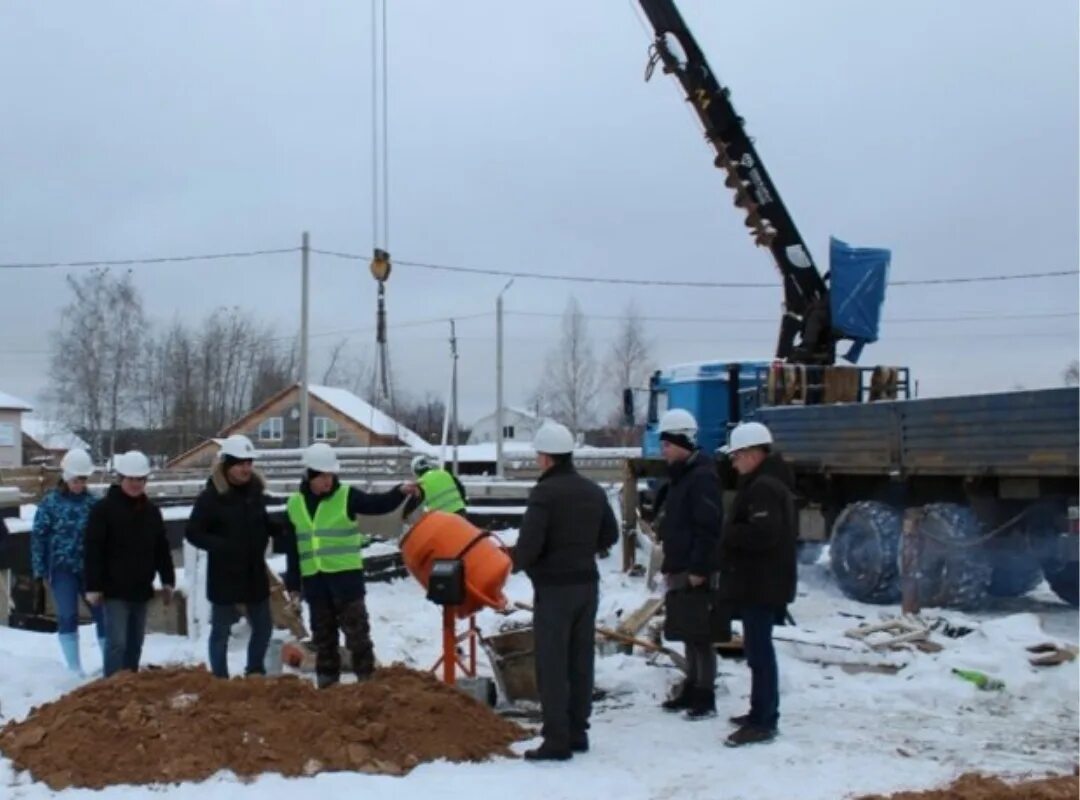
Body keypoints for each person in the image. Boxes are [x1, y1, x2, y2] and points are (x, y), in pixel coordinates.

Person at [512, 421, 618, 761]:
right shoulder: (592, 490)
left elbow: (530, 543)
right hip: (587, 586)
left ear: (545, 458)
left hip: (555, 590)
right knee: (580, 660)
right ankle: (577, 732)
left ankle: (556, 740)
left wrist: (515, 563)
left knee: (553, 663)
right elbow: (610, 535)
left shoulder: (545, 493)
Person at [282, 442, 419, 688]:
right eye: (321, 476)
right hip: (315, 583)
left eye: (330, 475)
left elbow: (378, 504)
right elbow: (293, 550)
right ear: (309, 476)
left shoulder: (347, 496)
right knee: (324, 638)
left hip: (346, 581)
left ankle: (367, 683)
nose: (327, 481)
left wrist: (399, 491)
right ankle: (327, 684)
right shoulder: (294, 505)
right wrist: (293, 587)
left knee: (357, 637)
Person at [717, 421, 797, 747]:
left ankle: (764, 720)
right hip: (761, 581)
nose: (734, 464)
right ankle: (759, 711)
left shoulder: (764, 487)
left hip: (762, 583)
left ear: (752, 454)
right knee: (755, 651)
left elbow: (764, 534)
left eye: (736, 457)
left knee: (760, 653)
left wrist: (728, 534)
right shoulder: (767, 482)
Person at [185, 434, 281, 679]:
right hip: (224, 575)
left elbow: (262, 522)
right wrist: (220, 546)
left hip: (254, 572)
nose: (246, 468)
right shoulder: (212, 497)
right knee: (220, 631)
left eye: (249, 463)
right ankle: (220, 678)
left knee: (263, 627)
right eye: (240, 463)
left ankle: (255, 670)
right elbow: (193, 532)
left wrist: (276, 529)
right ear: (227, 465)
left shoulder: (255, 493)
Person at [654, 408, 723, 720]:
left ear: (682, 442)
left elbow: (707, 527)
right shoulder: (683, 477)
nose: (663, 450)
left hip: (694, 568)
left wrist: (699, 568)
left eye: (667, 444)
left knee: (701, 633)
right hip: (679, 564)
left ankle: (704, 694)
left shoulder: (702, 478)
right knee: (688, 629)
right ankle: (693, 686)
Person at [84, 450, 175, 678]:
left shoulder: (151, 512)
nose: (136, 484)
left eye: (140, 480)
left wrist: (168, 580)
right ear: (120, 479)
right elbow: (93, 549)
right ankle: (112, 687)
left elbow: (161, 548)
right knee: (117, 642)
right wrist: (93, 585)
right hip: (114, 589)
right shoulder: (103, 510)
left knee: (135, 642)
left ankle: (130, 685)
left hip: (141, 588)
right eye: (131, 479)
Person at [31, 448, 105, 675]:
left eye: (83, 479)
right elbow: (39, 536)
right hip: (62, 569)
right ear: (66, 476)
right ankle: (74, 668)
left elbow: (105, 536)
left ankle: (109, 663)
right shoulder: (50, 504)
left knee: (102, 613)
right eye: (76, 479)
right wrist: (39, 569)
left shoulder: (94, 504)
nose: (80, 483)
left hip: (90, 569)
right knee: (67, 614)